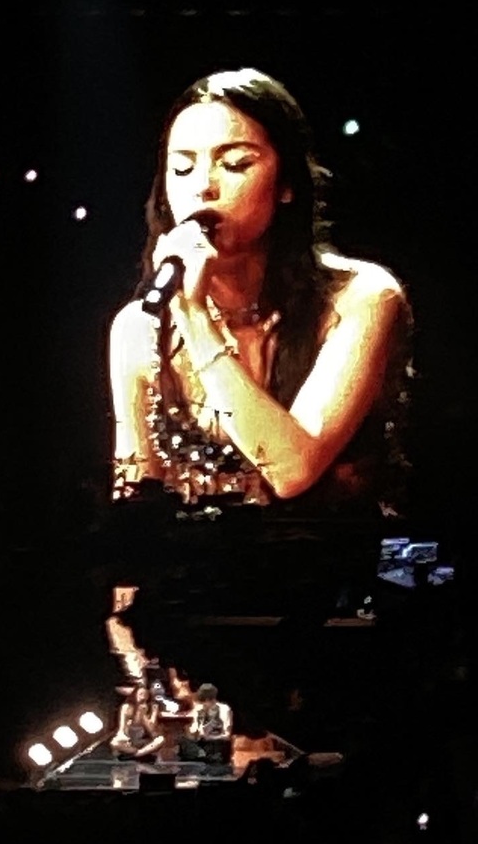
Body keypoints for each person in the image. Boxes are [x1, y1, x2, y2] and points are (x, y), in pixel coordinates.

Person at [109, 67, 414, 513]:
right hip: (198, 577)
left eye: (234, 164)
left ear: (286, 184)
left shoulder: (362, 298)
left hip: (343, 569)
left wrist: (195, 319)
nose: (202, 186)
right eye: (181, 167)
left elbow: (291, 471)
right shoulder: (139, 329)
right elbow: (133, 492)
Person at [179, 683, 233, 768]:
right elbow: (195, 730)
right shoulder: (199, 709)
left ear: (210, 699)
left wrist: (211, 737)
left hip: (216, 742)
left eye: (205, 701)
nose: (203, 704)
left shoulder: (224, 709)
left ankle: (205, 757)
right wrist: (195, 731)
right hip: (202, 742)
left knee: (218, 746)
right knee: (184, 741)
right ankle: (202, 756)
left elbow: (227, 735)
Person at [109, 684, 165, 760]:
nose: (143, 697)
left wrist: (154, 713)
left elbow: (151, 730)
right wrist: (124, 738)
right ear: (135, 695)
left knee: (160, 739)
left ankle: (137, 754)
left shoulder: (143, 710)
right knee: (114, 743)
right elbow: (121, 729)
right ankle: (134, 752)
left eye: (145, 695)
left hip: (138, 742)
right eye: (141, 694)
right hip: (126, 740)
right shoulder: (127, 707)